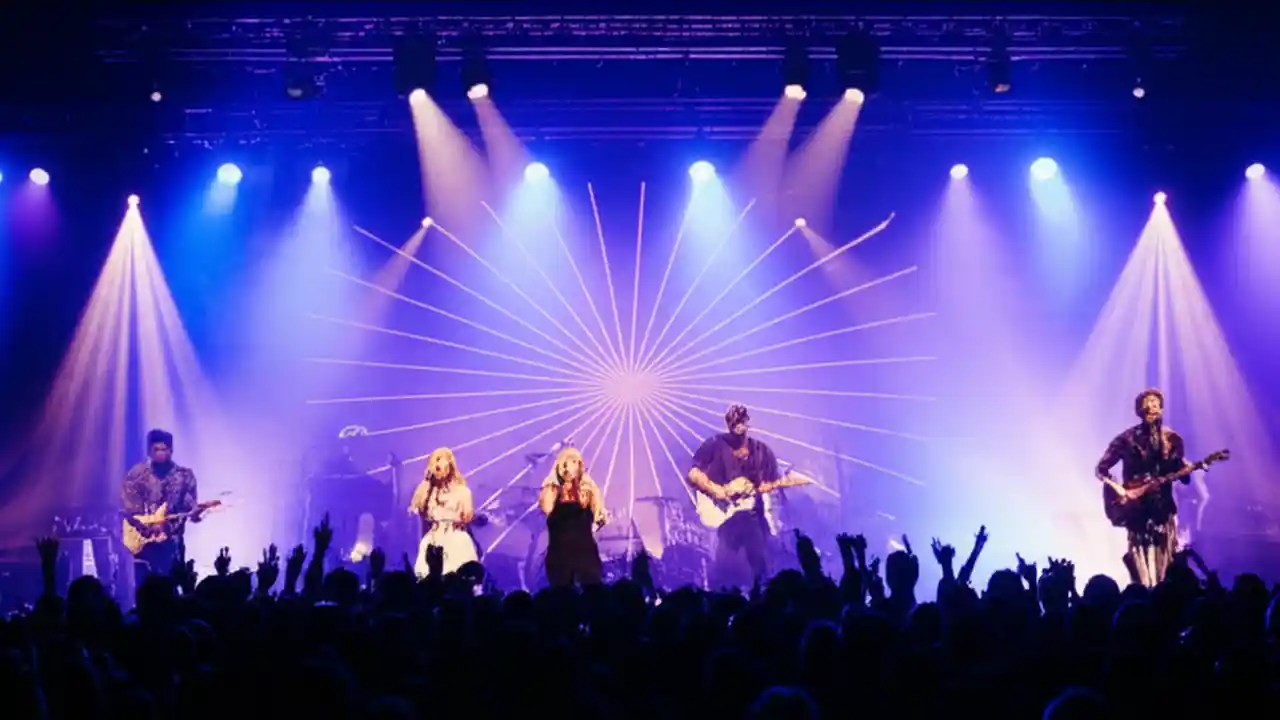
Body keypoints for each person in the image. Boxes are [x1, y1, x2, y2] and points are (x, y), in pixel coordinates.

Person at [1095, 388, 1191, 587]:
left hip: (1162, 512)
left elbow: (1183, 476)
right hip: (1136, 512)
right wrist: (1118, 489)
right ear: (1139, 411)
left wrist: (1186, 469)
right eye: (1146, 404)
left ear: (1161, 410)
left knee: (1166, 568)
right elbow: (1101, 469)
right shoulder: (1126, 439)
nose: (1150, 407)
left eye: (1155, 404)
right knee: (1141, 570)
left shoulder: (1173, 440)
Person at [687, 404, 791, 587]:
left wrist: (774, 520)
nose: (739, 426)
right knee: (727, 566)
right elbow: (693, 474)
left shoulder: (761, 451)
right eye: (735, 422)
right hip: (726, 518)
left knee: (760, 553)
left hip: (753, 516)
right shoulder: (713, 445)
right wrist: (716, 491)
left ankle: (762, 587)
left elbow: (771, 490)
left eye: (742, 421)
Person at [121, 429, 201, 582]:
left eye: (164, 449)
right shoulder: (137, 475)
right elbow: (129, 509)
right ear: (149, 451)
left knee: (172, 587)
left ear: (171, 450)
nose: (160, 453)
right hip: (143, 545)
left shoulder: (184, 476)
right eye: (155, 449)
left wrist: (196, 513)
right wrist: (148, 527)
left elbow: (190, 507)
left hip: (172, 544)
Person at [538, 446, 606, 587]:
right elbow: (547, 508)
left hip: (584, 551)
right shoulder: (551, 489)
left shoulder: (589, 489)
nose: (574, 466)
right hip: (559, 551)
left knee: (591, 588)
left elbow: (600, 515)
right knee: (562, 591)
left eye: (577, 462)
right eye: (570, 462)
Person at [410, 447, 478, 577]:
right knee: (427, 575)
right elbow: (418, 511)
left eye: (441, 459)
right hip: (433, 538)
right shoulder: (427, 491)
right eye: (435, 460)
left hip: (455, 539)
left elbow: (468, 516)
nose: (437, 464)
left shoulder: (462, 491)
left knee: (456, 574)